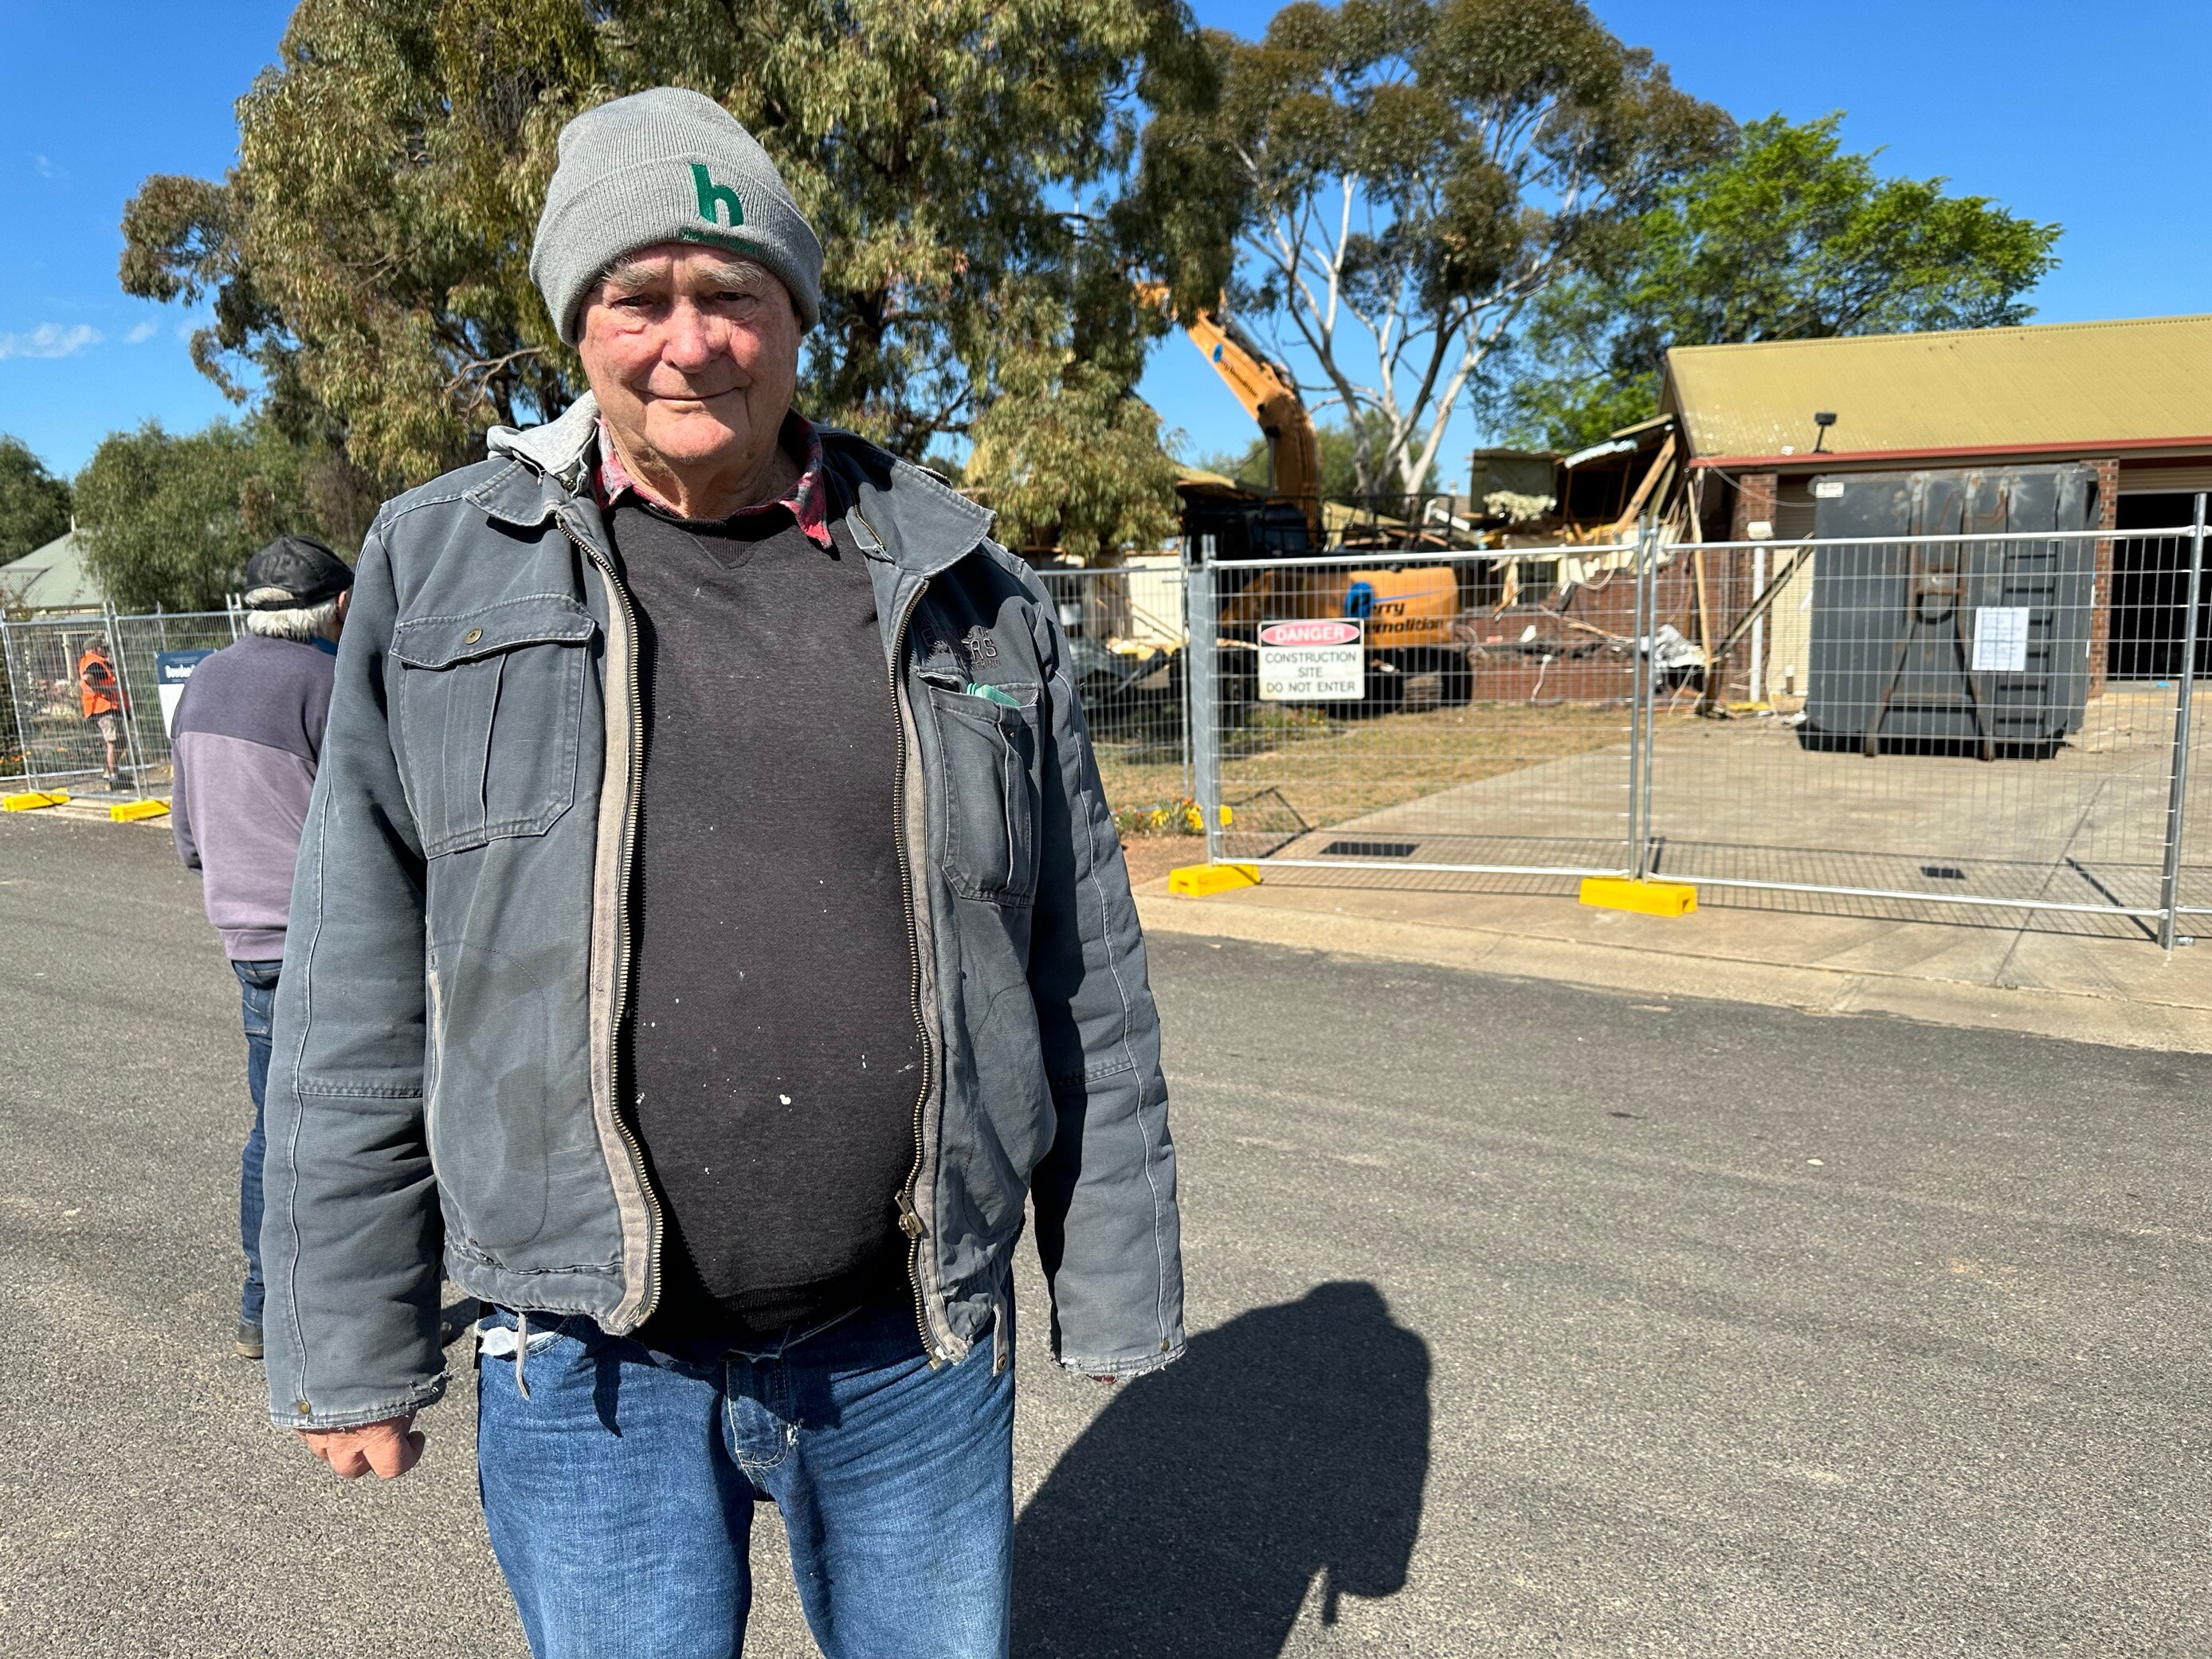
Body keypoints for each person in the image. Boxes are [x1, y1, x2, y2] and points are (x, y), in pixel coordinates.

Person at [261, 86, 1182, 1659]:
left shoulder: (966, 586)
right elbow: (353, 976)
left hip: (911, 1341)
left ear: (795, 320)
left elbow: (1076, 959)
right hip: (584, 1362)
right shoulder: (437, 568)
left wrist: (1111, 1276)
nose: (688, 341)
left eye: (731, 294)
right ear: (577, 323)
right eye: (639, 297)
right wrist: (349, 1340)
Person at [168, 535, 355, 1361]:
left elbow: (189, 838)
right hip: (337, 939)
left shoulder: (204, 682)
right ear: (340, 605)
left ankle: (264, 1306)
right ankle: (377, 1309)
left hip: (249, 942)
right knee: (382, 1127)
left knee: (275, 1126)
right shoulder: (332, 684)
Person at [76, 635, 127, 790]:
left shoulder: (98, 661)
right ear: (95, 648)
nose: (104, 650)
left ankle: (111, 770)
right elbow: (87, 678)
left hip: (108, 707)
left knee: (121, 741)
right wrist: (103, 690)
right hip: (103, 708)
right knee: (112, 743)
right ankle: (113, 776)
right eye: (102, 647)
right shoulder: (93, 661)